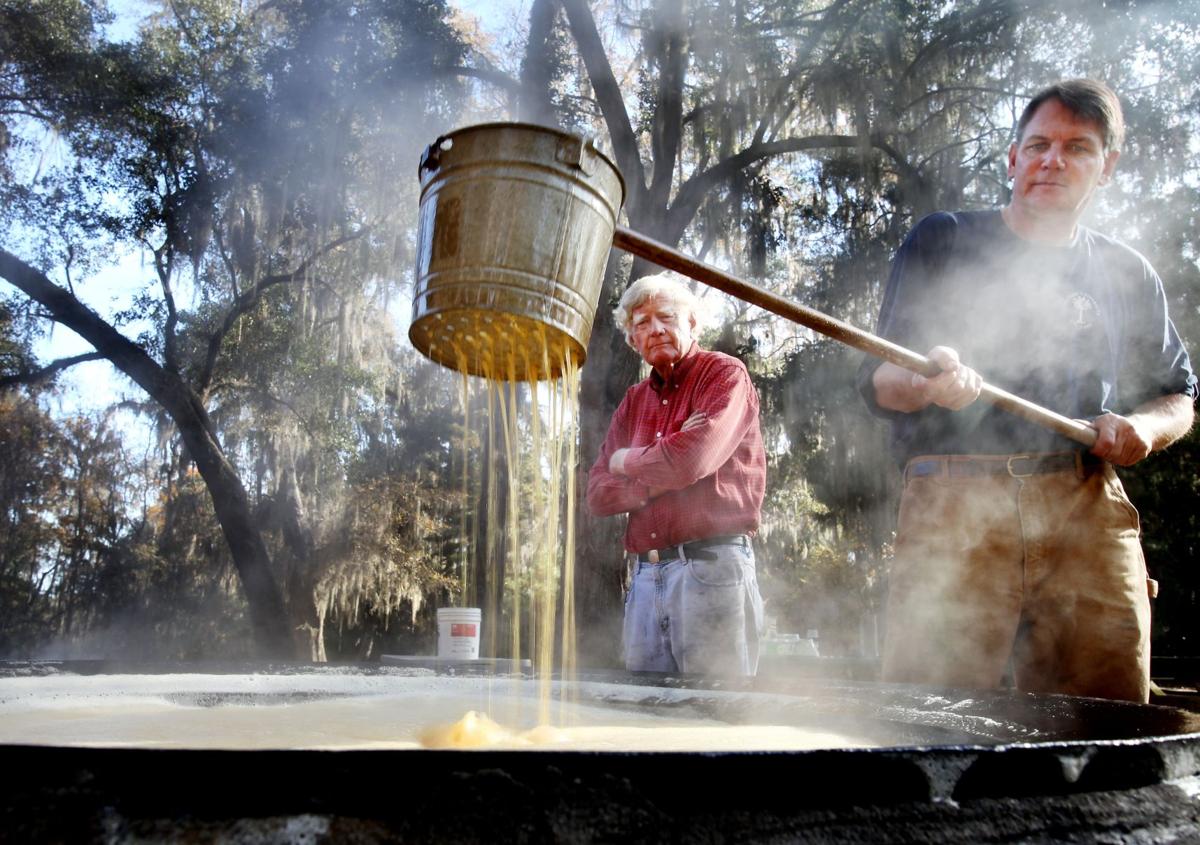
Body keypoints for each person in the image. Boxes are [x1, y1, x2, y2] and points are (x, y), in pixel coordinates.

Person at [857, 79, 1196, 703]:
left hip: (1084, 503)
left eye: (1078, 147)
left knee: (1107, 715)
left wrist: (1143, 429)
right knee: (929, 714)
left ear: (1107, 166)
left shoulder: (1127, 273)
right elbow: (881, 382)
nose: (1052, 161)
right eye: (1039, 145)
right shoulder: (943, 238)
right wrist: (926, 383)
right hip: (954, 502)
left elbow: (1178, 395)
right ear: (1013, 158)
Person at [586, 272, 766, 676]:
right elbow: (597, 494)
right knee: (644, 706)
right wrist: (663, 464)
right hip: (644, 578)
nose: (655, 329)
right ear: (633, 341)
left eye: (666, 316)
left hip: (711, 568)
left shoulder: (724, 375)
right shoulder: (633, 401)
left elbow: (691, 461)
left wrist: (627, 461)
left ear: (692, 323)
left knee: (715, 705)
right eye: (642, 323)